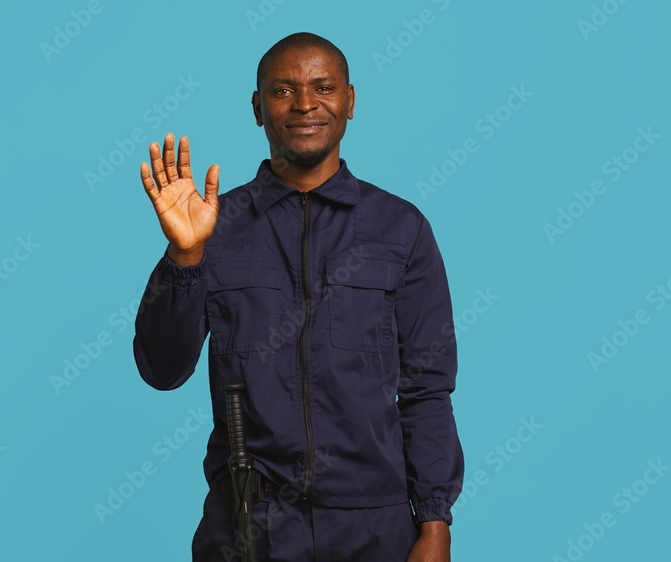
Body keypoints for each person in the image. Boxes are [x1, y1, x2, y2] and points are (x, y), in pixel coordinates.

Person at [133, 32, 463, 561]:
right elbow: (162, 370)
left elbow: (427, 389)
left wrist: (435, 521)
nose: (305, 104)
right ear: (257, 108)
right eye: (283, 90)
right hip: (247, 528)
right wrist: (185, 256)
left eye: (323, 87)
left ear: (350, 101)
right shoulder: (213, 227)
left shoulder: (401, 229)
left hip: (374, 528)